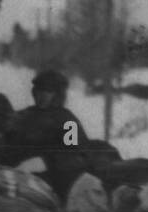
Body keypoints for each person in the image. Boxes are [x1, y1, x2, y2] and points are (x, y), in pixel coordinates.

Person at [6, 69, 91, 198]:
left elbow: (74, 155)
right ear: (34, 92)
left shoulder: (67, 120)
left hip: (48, 185)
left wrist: (44, 162)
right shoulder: (21, 116)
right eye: (40, 90)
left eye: (49, 92)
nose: (43, 96)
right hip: (12, 179)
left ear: (58, 95)